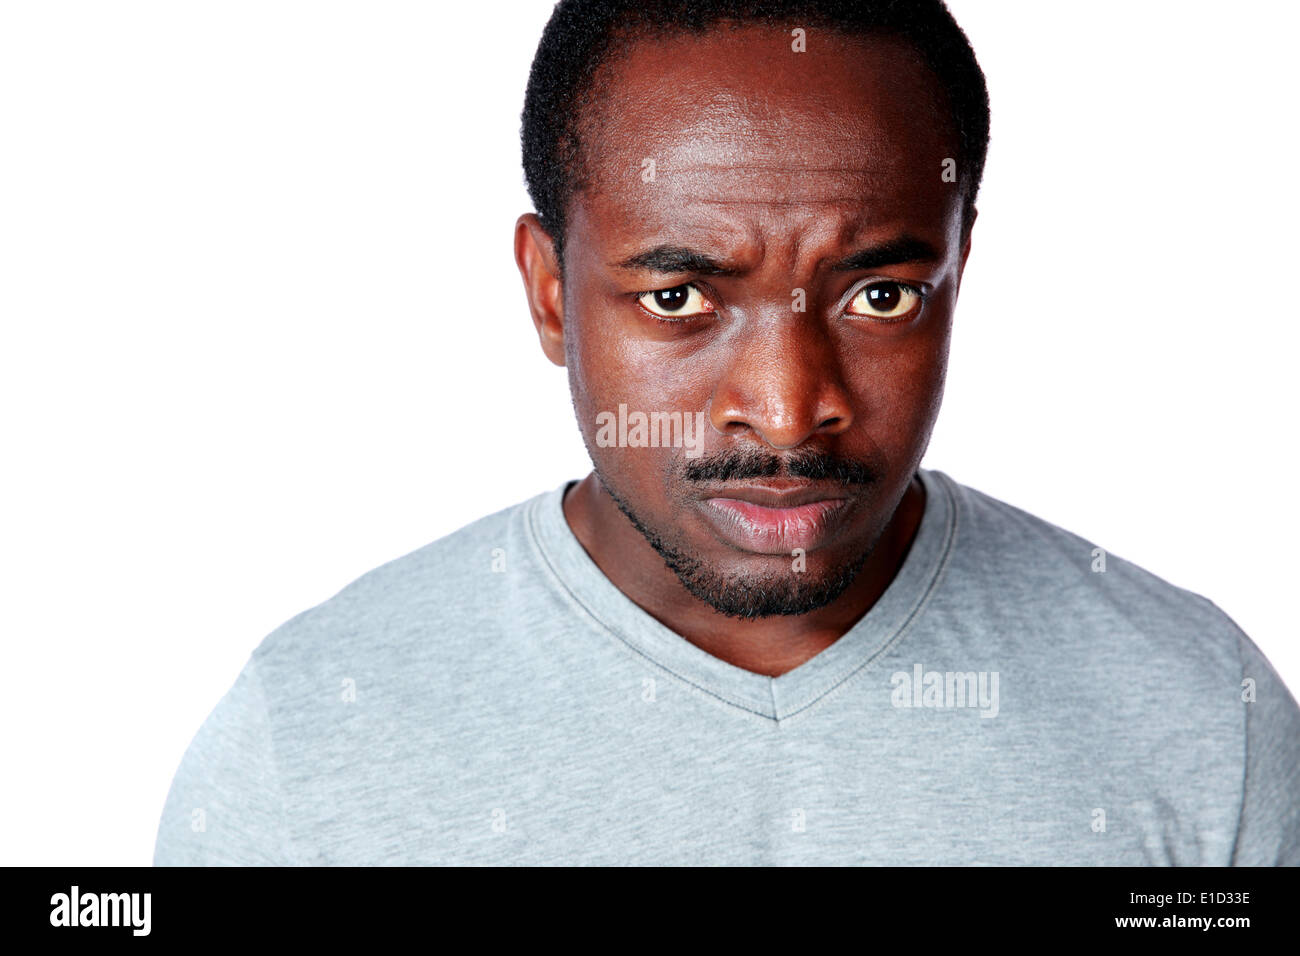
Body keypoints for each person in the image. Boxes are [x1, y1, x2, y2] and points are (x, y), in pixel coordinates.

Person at [154, 0, 1300, 866]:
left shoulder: (1198, 715)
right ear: (550, 292)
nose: (790, 406)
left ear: (961, 269)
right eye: (678, 297)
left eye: (880, 294)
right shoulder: (311, 736)